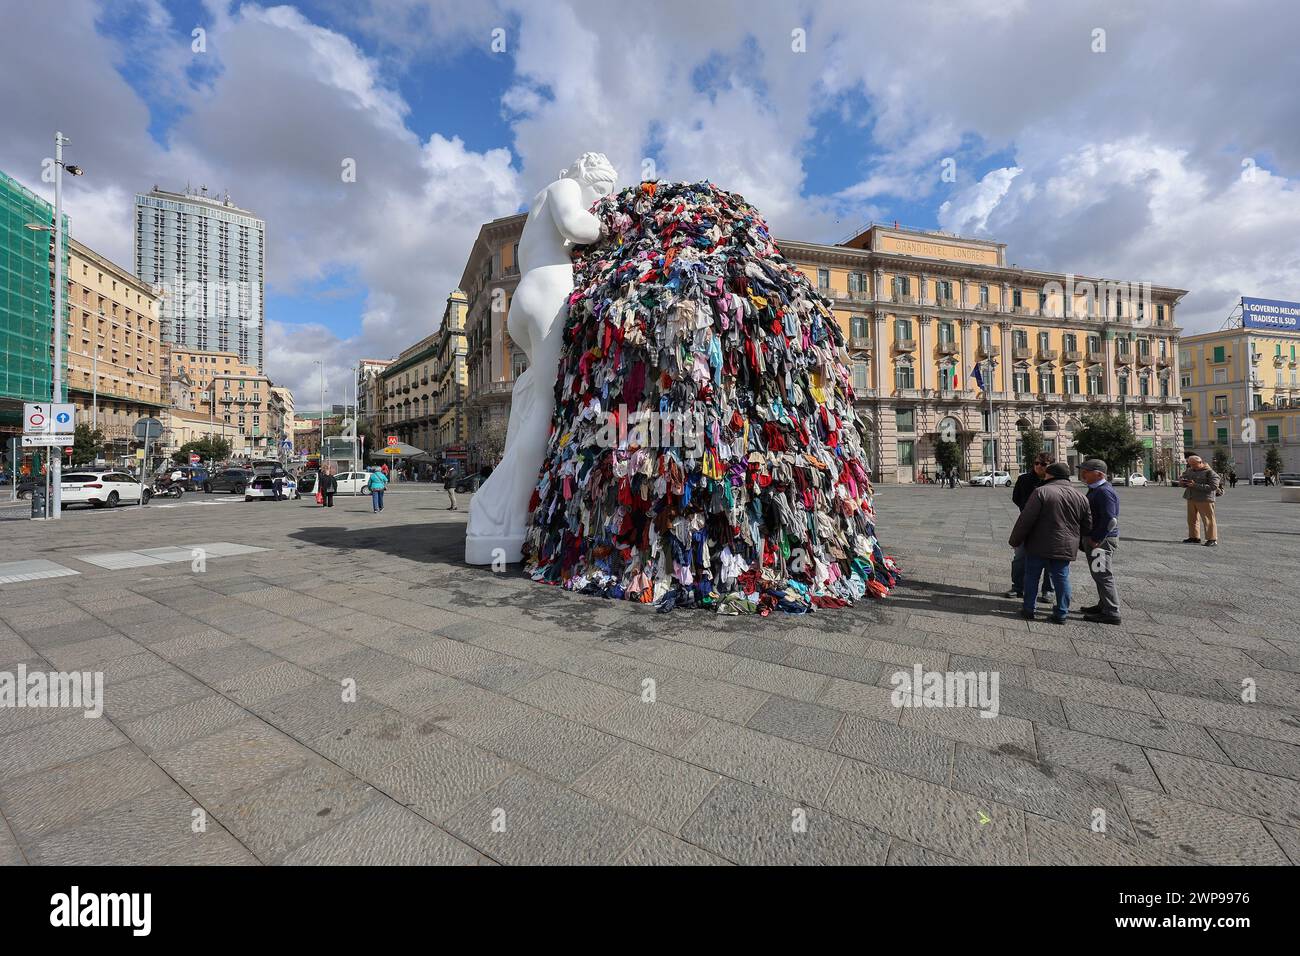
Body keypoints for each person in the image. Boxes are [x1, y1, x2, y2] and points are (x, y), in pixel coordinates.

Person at [1008, 462, 1092, 623]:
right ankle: (1061, 613)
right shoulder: (1081, 496)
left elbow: (1026, 519)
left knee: (1032, 576)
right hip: (1065, 545)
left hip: (1038, 544)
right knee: (1062, 578)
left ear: (1050, 475)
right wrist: (1080, 543)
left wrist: (1015, 540)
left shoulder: (1041, 492)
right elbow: (1087, 524)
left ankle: (1029, 609)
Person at [1077, 458, 1122, 625]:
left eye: (1087, 471)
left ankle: (1111, 611)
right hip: (1097, 539)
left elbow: (1111, 520)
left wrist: (1096, 539)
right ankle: (1103, 604)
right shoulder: (1096, 489)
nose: (1083, 474)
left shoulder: (1104, 492)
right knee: (1099, 574)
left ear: (1099, 474)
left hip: (1101, 541)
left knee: (1103, 575)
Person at [1008, 453, 1056, 603]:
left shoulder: (1055, 481)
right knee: (1020, 558)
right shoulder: (1024, 479)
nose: (1039, 466)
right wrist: (1027, 510)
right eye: (1036, 463)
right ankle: (1018, 587)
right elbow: (1016, 498)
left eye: (1043, 464)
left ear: (1051, 465)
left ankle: (1048, 590)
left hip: (1049, 527)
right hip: (1027, 524)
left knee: (1050, 560)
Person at [1179, 455, 1220, 546]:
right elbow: (1183, 478)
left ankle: (1212, 539)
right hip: (1191, 498)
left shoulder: (1210, 473)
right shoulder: (1189, 471)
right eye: (1190, 464)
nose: (1192, 466)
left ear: (1200, 462)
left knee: (1208, 520)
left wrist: (1195, 485)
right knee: (1192, 519)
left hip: (1204, 499)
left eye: (1194, 464)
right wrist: (1182, 482)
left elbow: (1213, 487)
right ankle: (1194, 537)